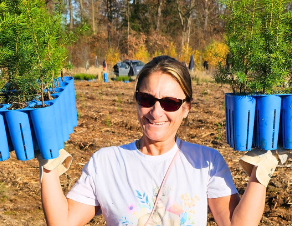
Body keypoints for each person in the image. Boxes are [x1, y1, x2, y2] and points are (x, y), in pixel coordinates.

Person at [39, 56, 271, 226]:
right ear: (136, 99)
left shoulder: (206, 162)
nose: (156, 112)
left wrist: (260, 171)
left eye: (170, 102)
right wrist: (48, 165)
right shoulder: (106, 163)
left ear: (186, 108)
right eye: (147, 99)